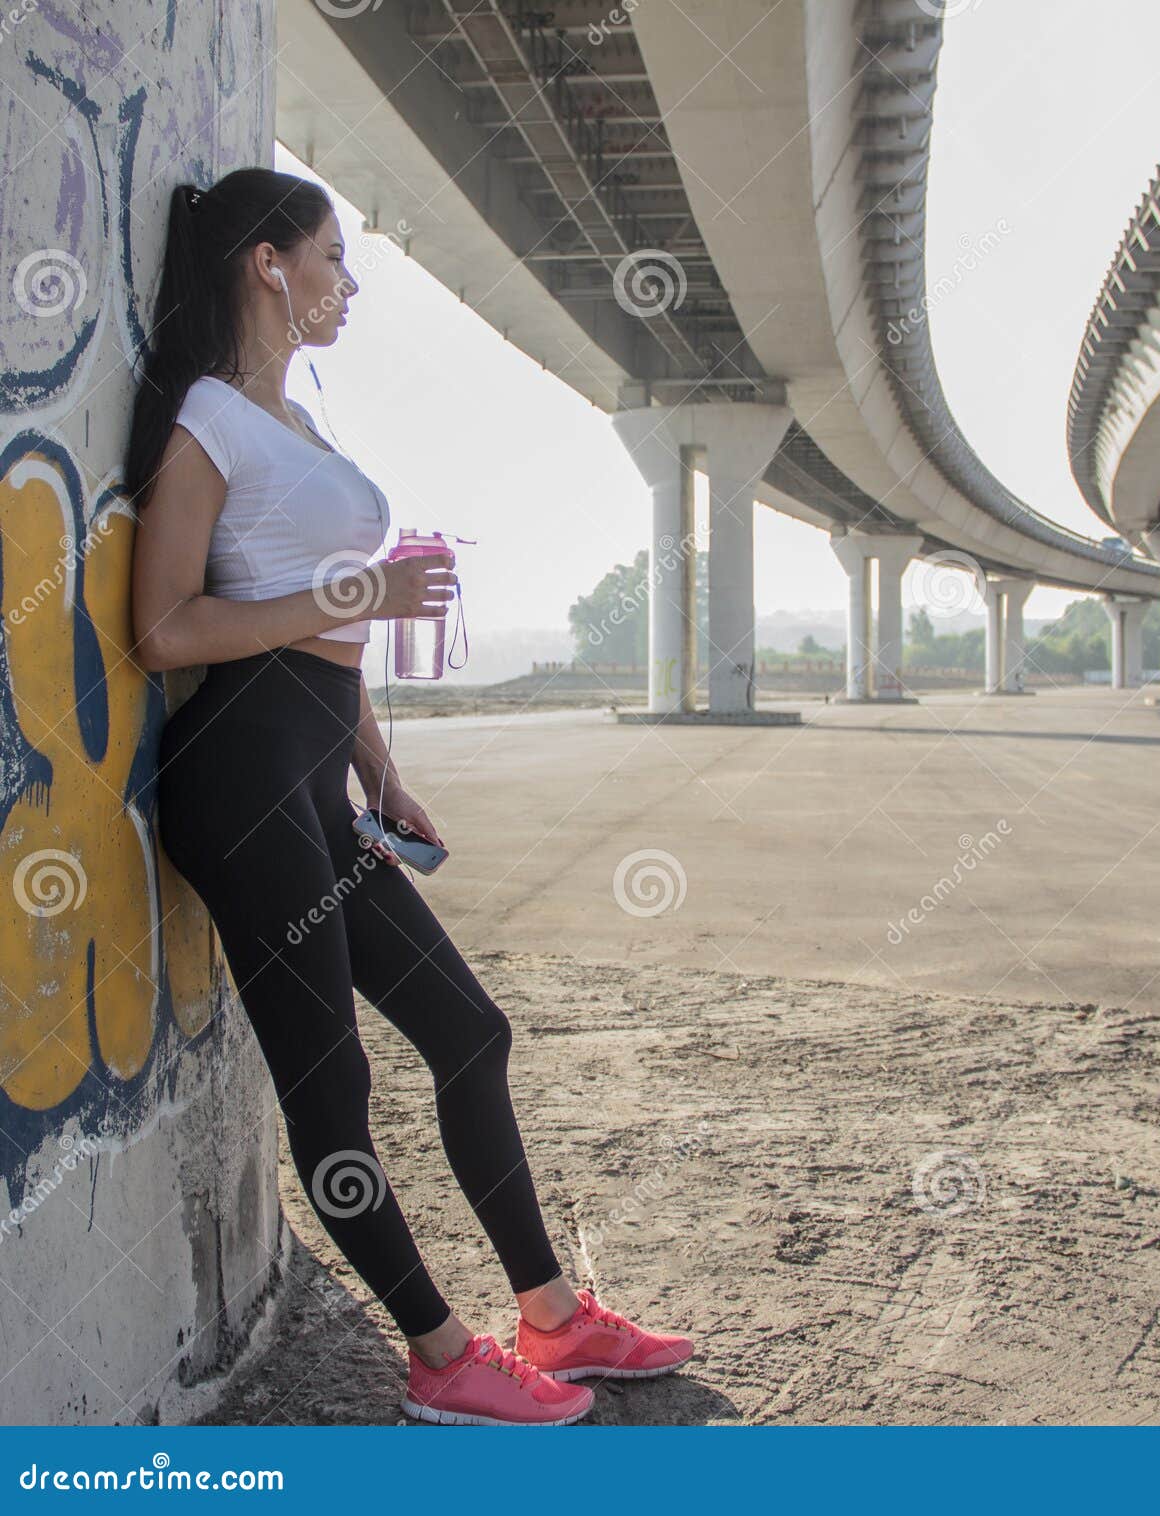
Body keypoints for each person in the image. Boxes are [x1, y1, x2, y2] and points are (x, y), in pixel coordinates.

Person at [125, 167, 692, 1426]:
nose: (348, 283)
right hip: (240, 778)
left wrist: (382, 771)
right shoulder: (211, 417)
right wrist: (357, 599)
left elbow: (330, 631)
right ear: (268, 263)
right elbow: (164, 626)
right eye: (334, 256)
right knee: (333, 1091)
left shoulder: (298, 423)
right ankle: (440, 1355)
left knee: (469, 1031)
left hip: (315, 773)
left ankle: (551, 1321)